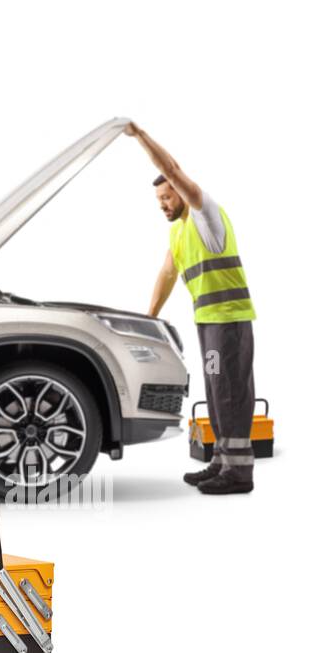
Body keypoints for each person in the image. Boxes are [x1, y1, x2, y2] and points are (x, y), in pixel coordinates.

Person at [126, 123, 257, 495]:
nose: (164, 204)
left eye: (168, 196)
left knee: (230, 390)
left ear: (181, 191)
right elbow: (167, 272)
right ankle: (221, 460)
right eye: (159, 200)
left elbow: (172, 169)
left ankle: (239, 473)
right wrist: (149, 317)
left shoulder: (204, 214)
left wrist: (140, 136)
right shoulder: (178, 232)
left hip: (229, 323)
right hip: (209, 326)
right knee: (218, 389)